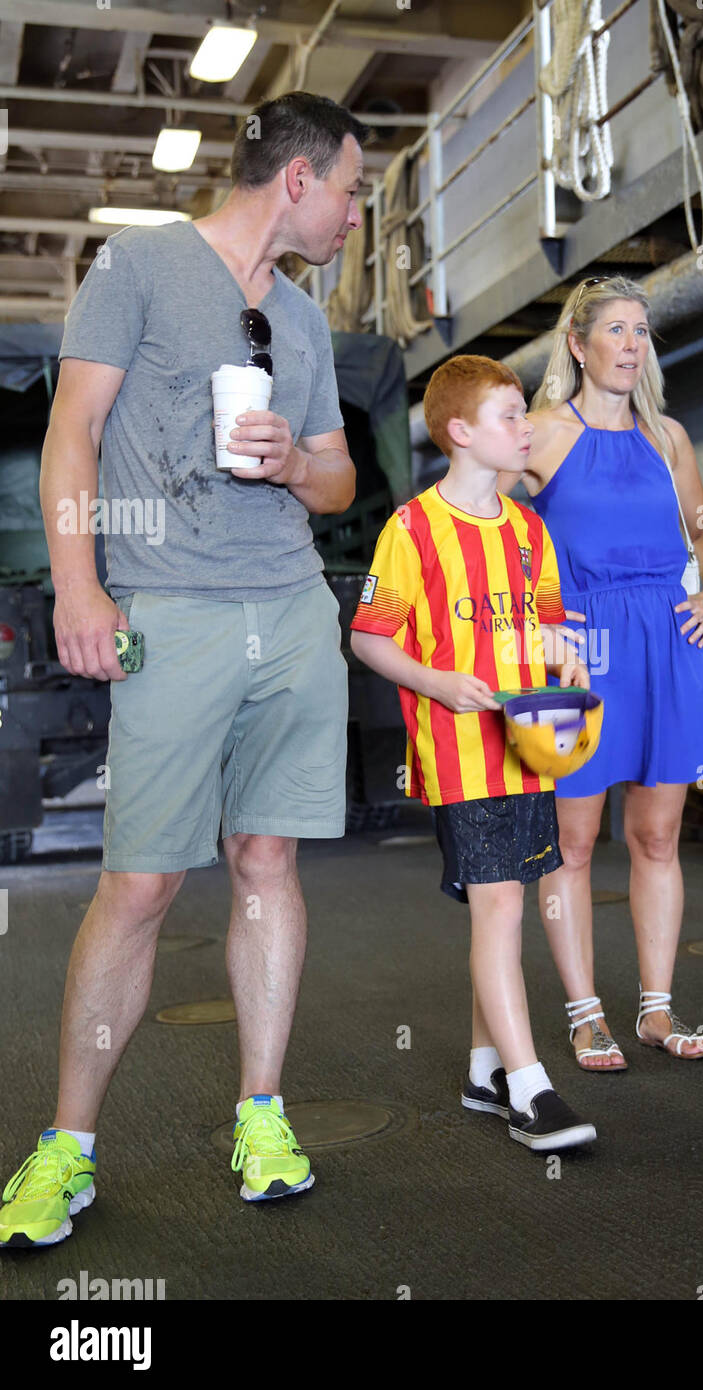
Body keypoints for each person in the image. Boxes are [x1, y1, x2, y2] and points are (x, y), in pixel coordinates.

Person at [0, 92, 366, 1248]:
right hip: (170, 609)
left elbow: (340, 477)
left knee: (268, 860)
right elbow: (73, 427)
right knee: (144, 882)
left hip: (291, 610)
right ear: (298, 181)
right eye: (353, 190)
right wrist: (77, 585)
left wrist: (293, 471)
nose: (358, 214)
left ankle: (262, 1115)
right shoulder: (142, 266)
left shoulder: (304, 325)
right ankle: (69, 1145)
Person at [350, 354, 597, 1150]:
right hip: (460, 753)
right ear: (461, 432)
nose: (526, 427)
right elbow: (368, 638)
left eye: (525, 414)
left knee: (506, 904)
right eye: (510, 416)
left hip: (531, 749)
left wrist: (567, 656)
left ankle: (484, 1070)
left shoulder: (528, 528)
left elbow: (552, 620)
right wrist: (434, 681)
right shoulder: (413, 528)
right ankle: (532, 1091)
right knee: (502, 906)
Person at [506, 275, 703, 1071]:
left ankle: (657, 1011)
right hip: (578, 647)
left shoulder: (668, 436)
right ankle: (584, 1011)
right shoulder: (538, 434)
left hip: (667, 640)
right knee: (573, 838)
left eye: (642, 332)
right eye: (617, 331)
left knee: (658, 833)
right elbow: (483, 524)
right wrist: (531, 623)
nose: (633, 345)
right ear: (578, 343)